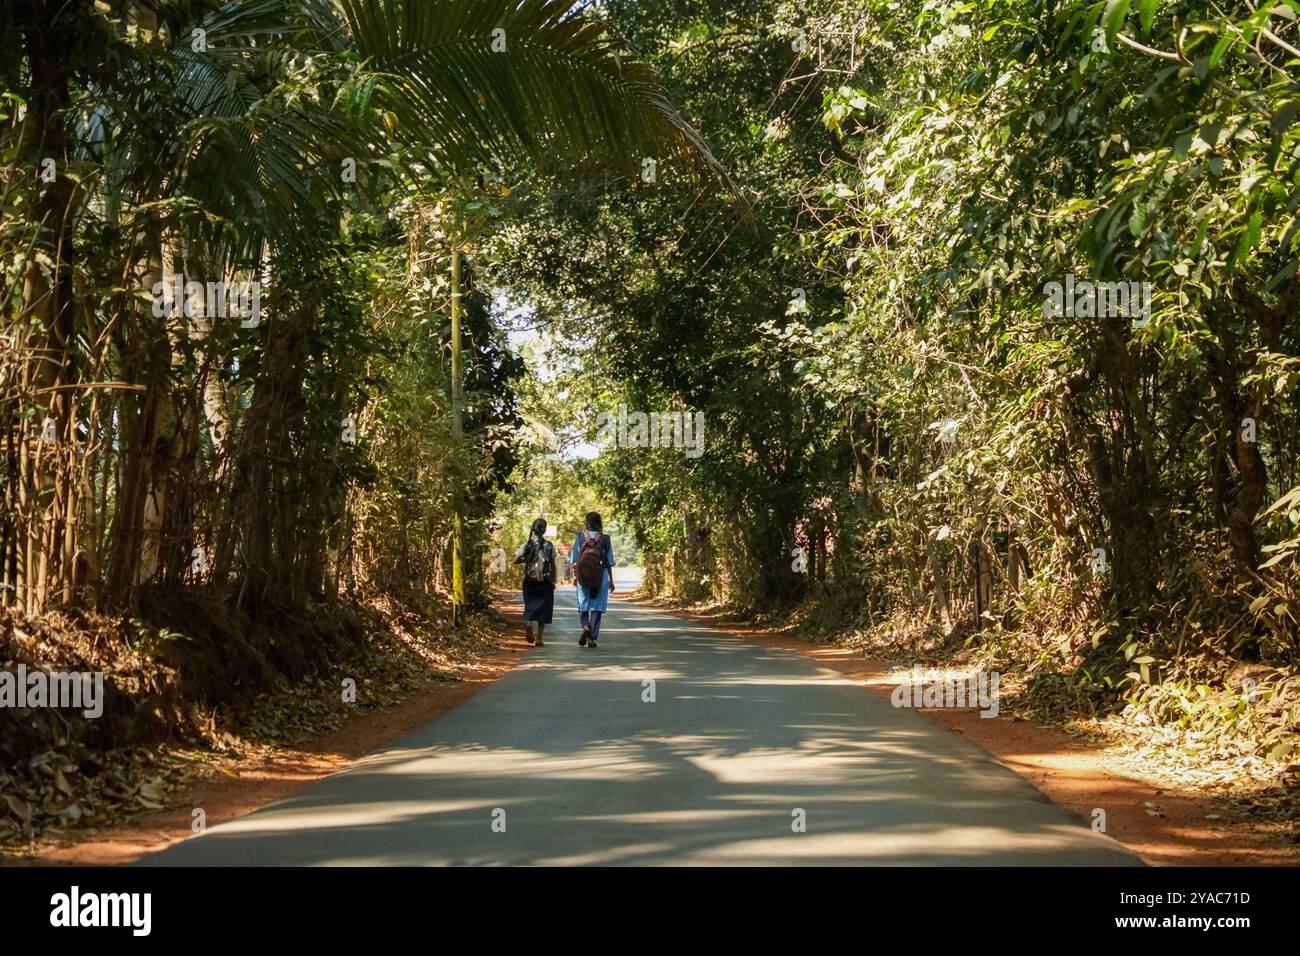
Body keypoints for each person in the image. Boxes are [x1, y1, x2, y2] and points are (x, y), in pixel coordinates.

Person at [569, 511, 615, 648]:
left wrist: (575, 576)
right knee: (597, 607)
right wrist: (611, 580)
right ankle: (592, 639)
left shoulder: (581, 537)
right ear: (599, 522)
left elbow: (575, 561)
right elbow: (609, 562)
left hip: (583, 576)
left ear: (587, 523)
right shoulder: (605, 538)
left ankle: (585, 627)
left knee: (583, 604)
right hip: (600, 577)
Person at [515, 517, 556, 646]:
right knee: (544, 608)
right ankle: (539, 638)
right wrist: (553, 580)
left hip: (529, 580)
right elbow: (553, 564)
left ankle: (528, 623)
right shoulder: (549, 545)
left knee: (529, 604)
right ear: (544, 530)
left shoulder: (527, 544)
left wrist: (525, 560)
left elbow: (516, 558)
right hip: (544, 581)